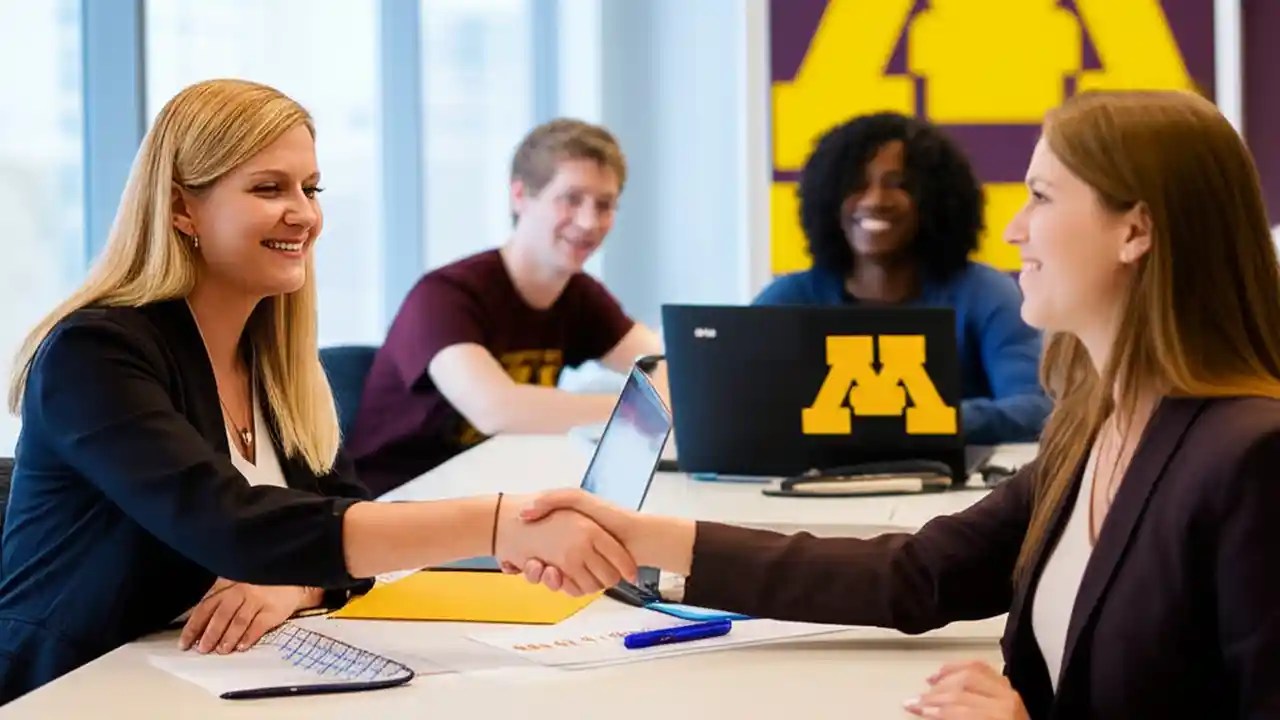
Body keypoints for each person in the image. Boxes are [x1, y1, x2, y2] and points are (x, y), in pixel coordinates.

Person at [517, 91, 1280, 718]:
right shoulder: (1096, 426)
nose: (1014, 228)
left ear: (1135, 231)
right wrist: (643, 537)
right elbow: (916, 573)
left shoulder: (1252, 458)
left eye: (1041, 197)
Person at [0, 79, 636, 705]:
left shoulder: (268, 358)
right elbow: (231, 525)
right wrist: (497, 525)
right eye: (269, 188)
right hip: (73, 688)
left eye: (310, 188)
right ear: (180, 207)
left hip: (205, 676)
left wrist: (295, 587)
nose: (304, 213)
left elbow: (341, 510)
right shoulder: (96, 353)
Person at [348, 118, 663, 496]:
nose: (588, 221)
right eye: (571, 198)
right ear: (520, 196)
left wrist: (663, 398)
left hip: (488, 491)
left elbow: (670, 371)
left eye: (605, 205)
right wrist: (636, 411)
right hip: (397, 500)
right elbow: (495, 409)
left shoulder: (579, 295)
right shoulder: (444, 295)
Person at [757, 112, 1050, 445]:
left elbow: (1036, 407)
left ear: (935, 200)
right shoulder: (787, 300)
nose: (875, 200)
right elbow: (736, 406)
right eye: (856, 186)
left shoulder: (985, 294)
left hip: (951, 479)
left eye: (898, 185)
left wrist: (918, 421)